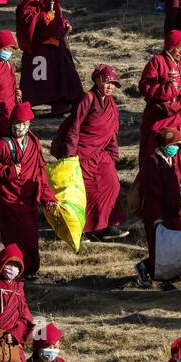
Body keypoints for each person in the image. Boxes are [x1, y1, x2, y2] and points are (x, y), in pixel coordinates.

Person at [51, 64, 125, 240]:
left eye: (113, 84)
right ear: (98, 80)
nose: (110, 87)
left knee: (112, 185)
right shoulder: (87, 98)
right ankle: (83, 229)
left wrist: (113, 155)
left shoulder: (112, 104)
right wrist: (69, 156)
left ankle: (107, 225)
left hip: (101, 155)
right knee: (85, 193)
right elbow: (74, 127)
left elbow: (112, 132)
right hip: (81, 155)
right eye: (107, 82)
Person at [0, 103, 56, 277]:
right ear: (11, 124)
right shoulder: (3, 144)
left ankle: (30, 269)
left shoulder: (34, 142)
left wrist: (48, 198)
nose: (19, 127)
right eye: (16, 123)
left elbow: (40, 172)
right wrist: (7, 171)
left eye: (23, 123)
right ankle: (16, 272)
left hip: (28, 199)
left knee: (31, 239)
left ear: (29, 124)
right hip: (9, 200)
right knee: (13, 240)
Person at [138, 31, 181, 188]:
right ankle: (163, 186)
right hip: (165, 115)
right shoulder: (157, 62)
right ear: (170, 46)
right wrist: (168, 90)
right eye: (179, 48)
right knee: (166, 148)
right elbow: (145, 87)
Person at [16, 0, 80, 115]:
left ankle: (61, 104)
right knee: (41, 76)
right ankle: (25, 109)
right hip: (41, 45)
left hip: (57, 43)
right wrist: (42, 17)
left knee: (61, 74)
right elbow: (24, 15)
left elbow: (56, 17)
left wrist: (64, 24)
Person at [134, 126, 181, 290]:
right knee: (163, 248)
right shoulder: (152, 161)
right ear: (164, 145)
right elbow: (152, 191)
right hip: (157, 213)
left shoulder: (169, 160)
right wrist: (157, 217)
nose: (176, 148)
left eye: (178, 145)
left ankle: (149, 269)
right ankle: (165, 281)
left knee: (172, 246)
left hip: (171, 212)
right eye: (174, 145)